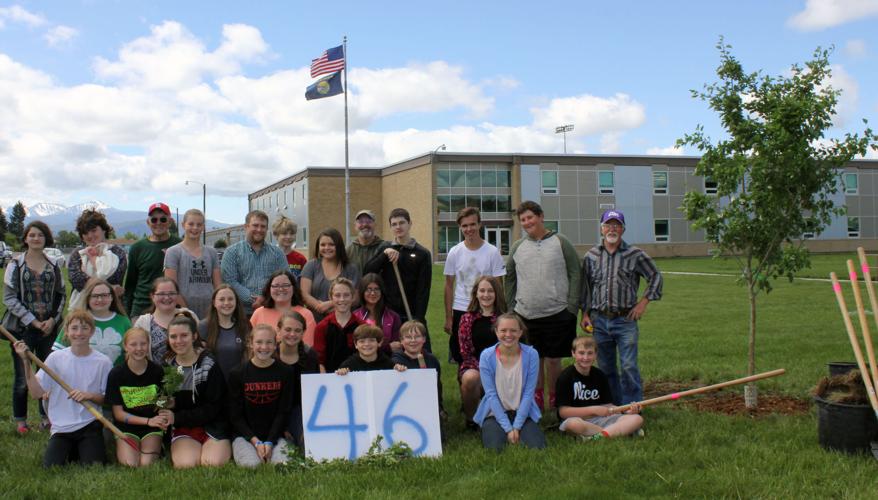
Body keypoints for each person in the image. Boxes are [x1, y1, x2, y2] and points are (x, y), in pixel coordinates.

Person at [580, 209, 663, 405]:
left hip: (625, 319)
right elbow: (586, 287)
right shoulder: (591, 256)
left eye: (616, 225)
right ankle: (615, 407)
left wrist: (643, 303)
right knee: (606, 368)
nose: (612, 228)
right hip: (599, 320)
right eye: (608, 224)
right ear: (601, 229)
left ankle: (633, 407)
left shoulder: (635, 255)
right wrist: (584, 313)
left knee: (628, 366)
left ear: (623, 229)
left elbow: (655, 276)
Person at [505, 200, 581, 410]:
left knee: (554, 360)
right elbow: (509, 277)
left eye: (530, 217)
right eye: (523, 220)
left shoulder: (560, 241)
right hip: (526, 315)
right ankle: (537, 397)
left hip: (558, 312)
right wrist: (512, 309)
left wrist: (572, 306)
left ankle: (555, 399)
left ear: (541, 216)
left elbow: (576, 272)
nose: (527, 222)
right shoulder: (517, 247)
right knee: (534, 360)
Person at [13, 310, 113, 467]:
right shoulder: (56, 358)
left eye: (84, 328)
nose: (79, 333)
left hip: (90, 424)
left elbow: (107, 399)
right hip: (62, 427)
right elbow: (36, 392)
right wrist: (26, 362)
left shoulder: (103, 362)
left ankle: (81, 449)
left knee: (95, 465)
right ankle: (72, 449)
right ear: (66, 331)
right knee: (51, 467)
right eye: (74, 328)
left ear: (92, 331)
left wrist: (89, 396)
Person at [3, 221, 66, 434]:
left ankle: (46, 417)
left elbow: (61, 296)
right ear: (26, 238)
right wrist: (32, 320)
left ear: (46, 238)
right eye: (32, 235)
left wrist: (52, 321)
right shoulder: (15, 265)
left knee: (46, 373)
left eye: (40, 235)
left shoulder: (54, 264)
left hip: (48, 329)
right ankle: (21, 422)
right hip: (23, 329)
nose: (36, 238)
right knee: (23, 375)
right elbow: (9, 298)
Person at [159, 312, 231, 468]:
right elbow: (160, 399)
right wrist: (163, 404)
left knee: (211, 463)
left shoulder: (208, 364)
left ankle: (215, 446)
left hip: (213, 425)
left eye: (184, 335)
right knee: (186, 464)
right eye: (173, 337)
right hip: (184, 428)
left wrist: (176, 417)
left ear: (194, 336)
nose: (178, 341)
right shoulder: (168, 365)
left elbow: (214, 407)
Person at [473, 313, 546, 452]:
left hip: (523, 411)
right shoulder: (487, 356)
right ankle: (496, 429)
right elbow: (491, 395)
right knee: (494, 449)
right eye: (503, 330)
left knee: (538, 447)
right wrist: (508, 428)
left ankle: (520, 428)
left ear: (520, 332)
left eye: (513, 330)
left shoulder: (531, 355)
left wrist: (517, 427)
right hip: (494, 412)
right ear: (496, 332)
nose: (508, 334)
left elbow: (529, 393)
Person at [364, 208, 432, 349]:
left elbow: (423, 290)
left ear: (410, 224)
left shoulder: (422, 253)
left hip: (411, 312)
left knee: (421, 353)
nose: (398, 227)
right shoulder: (385, 248)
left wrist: (418, 318)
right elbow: (368, 271)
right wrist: (384, 254)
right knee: (392, 352)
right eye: (394, 224)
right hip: (388, 313)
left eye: (402, 223)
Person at [443, 207, 505, 363]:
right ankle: (466, 384)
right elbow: (449, 285)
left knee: (489, 353)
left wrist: (500, 312)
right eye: (464, 226)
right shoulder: (455, 252)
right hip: (461, 308)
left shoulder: (492, 252)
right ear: (460, 227)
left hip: (485, 309)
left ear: (479, 224)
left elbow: (499, 286)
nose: (469, 229)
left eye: (472, 224)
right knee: (461, 354)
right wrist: (449, 317)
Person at [228, 324, 294, 467]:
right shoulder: (237, 374)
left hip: (276, 435)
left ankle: (271, 451)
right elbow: (235, 416)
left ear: (276, 344)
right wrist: (256, 442)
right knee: (251, 466)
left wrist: (270, 441)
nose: (264, 347)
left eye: (269, 342)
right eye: (259, 342)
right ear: (250, 344)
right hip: (246, 436)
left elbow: (283, 412)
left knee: (282, 465)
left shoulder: (286, 372)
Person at [555, 336, 644, 440]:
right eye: (581, 353)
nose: (586, 357)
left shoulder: (600, 375)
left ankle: (597, 437)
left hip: (600, 419)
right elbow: (563, 412)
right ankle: (618, 432)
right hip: (578, 420)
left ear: (596, 355)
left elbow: (608, 405)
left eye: (590, 353)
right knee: (573, 424)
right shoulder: (565, 377)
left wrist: (625, 411)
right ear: (573, 353)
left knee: (636, 419)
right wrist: (593, 410)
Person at [105, 327, 167, 466]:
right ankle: (125, 446)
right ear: (125, 346)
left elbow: (162, 400)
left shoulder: (157, 371)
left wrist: (162, 410)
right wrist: (146, 421)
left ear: (148, 345)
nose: (139, 348)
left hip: (151, 427)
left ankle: (157, 445)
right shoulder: (116, 374)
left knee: (146, 463)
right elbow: (118, 414)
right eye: (133, 344)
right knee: (130, 463)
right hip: (127, 427)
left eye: (143, 344)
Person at [458, 275, 507, 427]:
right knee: (470, 378)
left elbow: (511, 349)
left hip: (502, 364)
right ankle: (472, 419)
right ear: (476, 293)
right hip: (474, 364)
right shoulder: (467, 318)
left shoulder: (505, 318)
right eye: (482, 291)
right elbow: (465, 351)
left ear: (497, 293)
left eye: (490, 291)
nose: (486, 295)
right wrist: (483, 369)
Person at [221, 210, 288, 316]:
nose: (259, 229)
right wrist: (252, 299)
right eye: (255, 225)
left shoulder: (277, 253)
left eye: (263, 226)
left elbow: (285, 280)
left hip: (272, 311)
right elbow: (230, 281)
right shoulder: (231, 252)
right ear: (246, 226)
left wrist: (266, 298)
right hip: (240, 314)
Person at [53, 279, 131, 366]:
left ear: (112, 297)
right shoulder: (76, 320)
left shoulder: (124, 322)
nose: (100, 299)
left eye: (104, 295)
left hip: (115, 378)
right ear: (88, 298)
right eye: (95, 296)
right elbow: (58, 353)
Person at [124, 203, 182, 317]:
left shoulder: (179, 245)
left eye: (163, 219)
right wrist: (127, 313)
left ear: (170, 221)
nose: (158, 223)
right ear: (148, 222)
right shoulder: (137, 248)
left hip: (171, 309)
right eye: (154, 220)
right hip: (141, 309)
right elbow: (130, 285)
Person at [164, 208, 221, 319]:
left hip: (210, 313)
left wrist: (214, 310)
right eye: (191, 224)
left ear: (203, 227)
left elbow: (218, 286)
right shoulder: (173, 252)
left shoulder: (211, 253)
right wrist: (187, 313)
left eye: (199, 224)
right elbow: (171, 288)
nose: (195, 228)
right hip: (182, 313)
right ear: (183, 225)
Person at [275, 310, 321, 448]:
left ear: (303, 332)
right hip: (273, 410)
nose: (292, 334)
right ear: (278, 330)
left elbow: (314, 390)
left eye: (297, 330)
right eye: (287, 329)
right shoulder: (270, 354)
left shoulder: (310, 355)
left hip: (300, 410)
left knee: (307, 445)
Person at [67, 208, 127, 310]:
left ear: (104, 229)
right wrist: (110, 288)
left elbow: (114, 278)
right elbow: (78, 281)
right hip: (82, 310)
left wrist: (89, 275)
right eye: (85, 233)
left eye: (94, 230)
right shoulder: (77, 254)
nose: (90, 235)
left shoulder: (118, 253)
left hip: (111, 309)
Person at [301, 228, 360, 322]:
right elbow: (304, 294)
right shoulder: (311, 265)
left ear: (339, 246)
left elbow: (356, 298)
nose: (326, 248)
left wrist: (331, 304)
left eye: (331, 244)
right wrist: (319, 306)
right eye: (323, 245)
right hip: (315, 320)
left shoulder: (351, 269)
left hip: (343, 321)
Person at [133, 277, 196, 363]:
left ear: (177, 295)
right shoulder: (142, 323)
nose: (166, 298)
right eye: (161, 294)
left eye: (171, 293)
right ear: (152, 296)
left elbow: (201, 346)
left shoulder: (189, 316)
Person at [392, 320, 445, 418]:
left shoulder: (432, 360)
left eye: (417, 336)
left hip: (428, 406)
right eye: (408, 337)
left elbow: (437, 387)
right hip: (403, 408)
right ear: (401, 340)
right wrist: (396, 368)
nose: (413, 341)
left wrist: (439, 407)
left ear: (424, 339)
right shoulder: (396, 360)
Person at [250, 270, 317, 346]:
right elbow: (250, 344)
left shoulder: (306, 314)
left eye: (285, 285)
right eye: (276, 286)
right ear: (269, 289)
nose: (281, 289)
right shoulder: (258, 313)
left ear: (294, 288)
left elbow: (307, 347)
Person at [198, 285, 249, 381]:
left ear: (236, 302)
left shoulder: (244, 325)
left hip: (238, 383)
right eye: (221, 299)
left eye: (230, 299)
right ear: (214, 303)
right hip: (213, 384)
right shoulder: (204, 326)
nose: (226, 303)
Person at [312, 278, 363, 373]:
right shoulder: (322, 327)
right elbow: (319, 361)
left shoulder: (362, 326)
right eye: (337, 295)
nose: (342, 299)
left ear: (353, 297)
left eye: (346, 295)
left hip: (357, 379)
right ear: (331, 298)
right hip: (330, 379)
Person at [353, 273, 401, 355]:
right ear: (362, 292)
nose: (372, 293)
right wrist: (387, 347)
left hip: (386, 361)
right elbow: (353, 346)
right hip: (361, 361)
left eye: (376, 289)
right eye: (368, 289)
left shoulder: (393, 317)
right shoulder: (355, 316)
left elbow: (396, 347)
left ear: (382, 291)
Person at [335, 325, 406, 374]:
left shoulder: (389, 364)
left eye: (371, 340)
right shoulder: (347, 366)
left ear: (379, 343)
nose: (366, 344)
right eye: (362, 341)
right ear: (356, 344)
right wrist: (341, 374)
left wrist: (400, 370)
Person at [346, 209, 384, 274]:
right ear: (355, 226)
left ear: (375, 225)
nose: (365, 224)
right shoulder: (348, 251)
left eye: (369, 221)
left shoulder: (384, 248)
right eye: (360, 222)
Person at [272, 216, 307, 280]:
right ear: (276, 235)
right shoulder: (269, 256)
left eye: (292, 233)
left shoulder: (300, 259)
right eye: (284, 234)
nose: (288, 237)